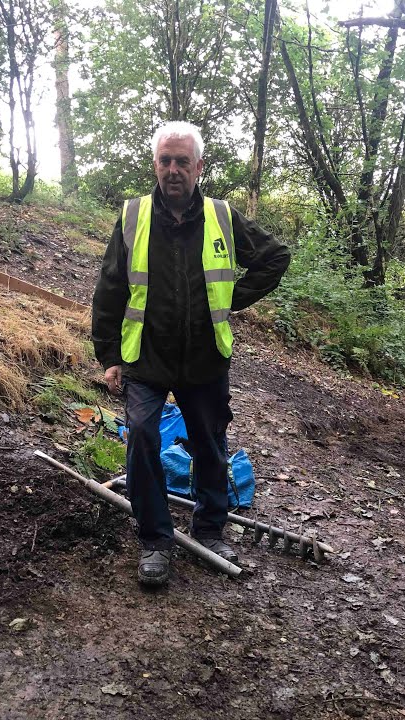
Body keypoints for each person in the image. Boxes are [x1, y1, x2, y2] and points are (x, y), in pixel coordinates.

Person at [91, 121, 291, 587]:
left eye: (183, 161)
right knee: (142, 436)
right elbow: (110, 289)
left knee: (209, 442)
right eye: (166, 160)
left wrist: (232, 299)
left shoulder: (221, 216)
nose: (174, 169)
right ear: (155, 165)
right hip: (147, 355)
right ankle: (156, 541)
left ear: (199, 167)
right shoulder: (134, 216)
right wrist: (108, 355)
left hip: (204, 355)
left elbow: (274, 256)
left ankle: (208, 530)